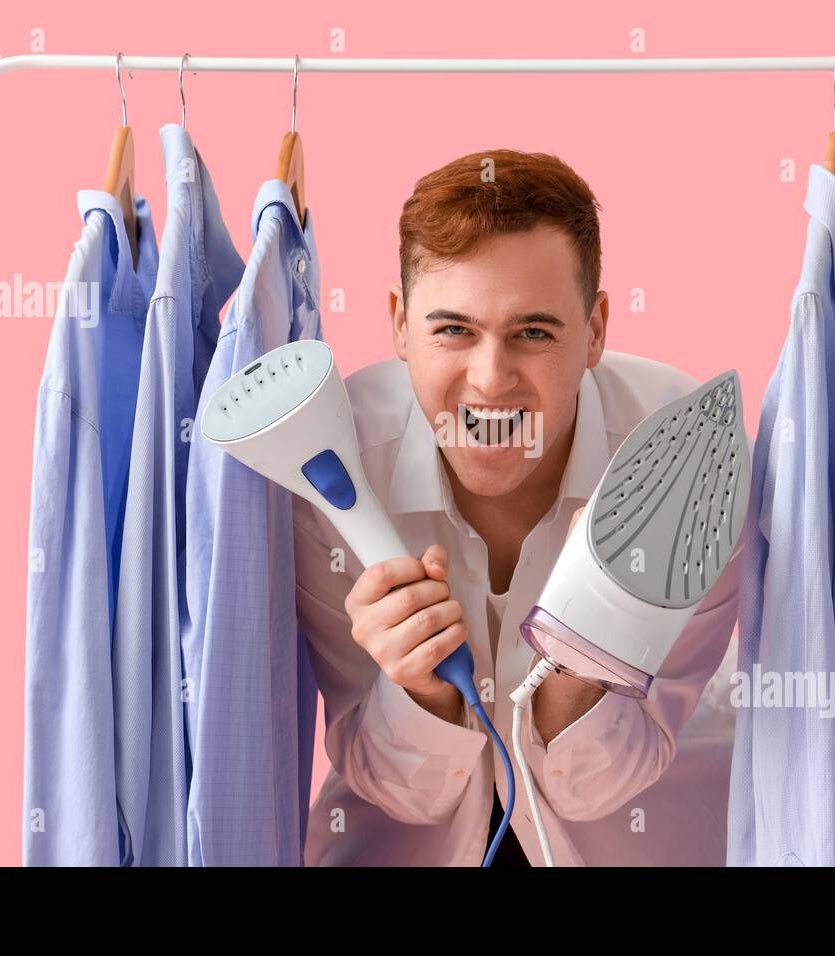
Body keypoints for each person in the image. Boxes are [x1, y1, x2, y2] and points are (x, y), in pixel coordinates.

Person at [294, 149, 745, 866]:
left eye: (534, 332)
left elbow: (609, 781)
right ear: (399, 323)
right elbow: (393, 787)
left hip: (640, 837)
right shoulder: (331, 467)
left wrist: (588, 643)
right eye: (453, 330)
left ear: (596, 328)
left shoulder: (685, 462)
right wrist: (415, 687)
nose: (491, 378)